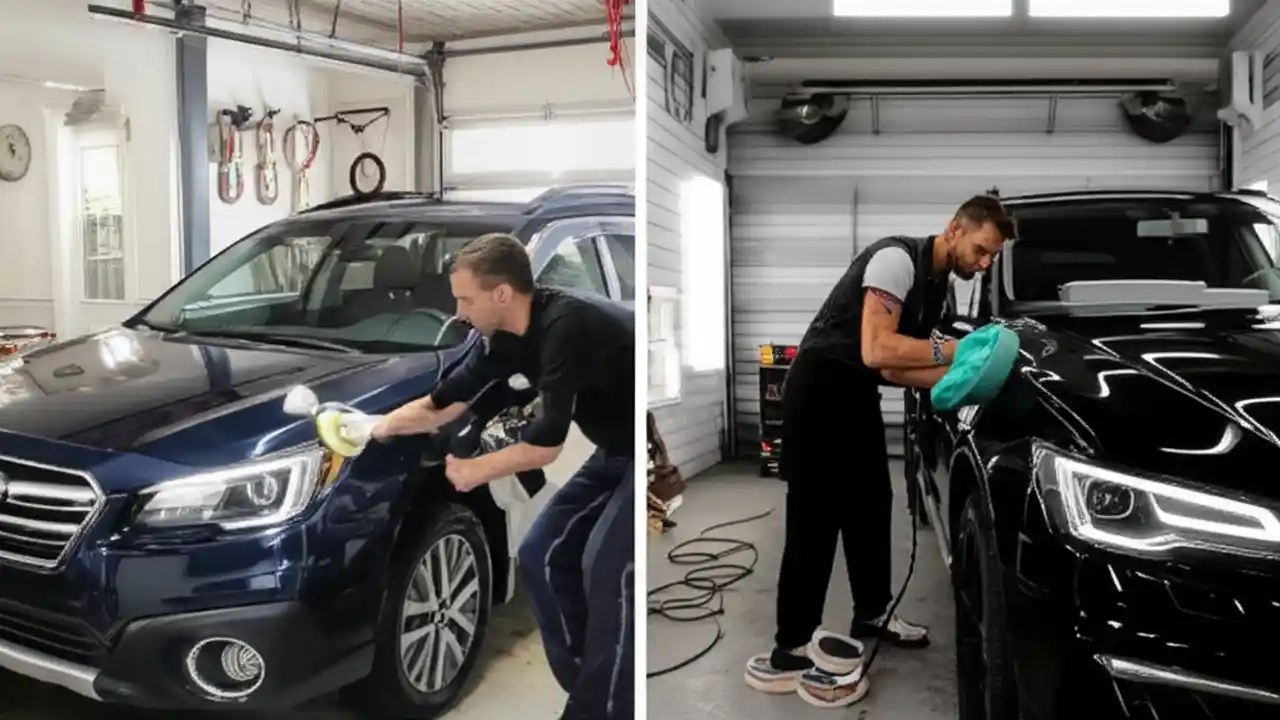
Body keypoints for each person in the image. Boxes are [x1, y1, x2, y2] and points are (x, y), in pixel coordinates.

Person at [744, 195, 1015, 696]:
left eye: (992, 256)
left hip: (856, 392)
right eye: (980, 249)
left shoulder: (940, 290)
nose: (984, 263)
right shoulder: (896, 261)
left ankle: (871, 615)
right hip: (820, 390)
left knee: (871, 505)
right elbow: (876, 347)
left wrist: (972, 375)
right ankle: (789, 648)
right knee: (815, 521)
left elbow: (893, 369)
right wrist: (959, 351)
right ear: (954, 228)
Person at [369, 233, 634, 720]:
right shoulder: (503, 339)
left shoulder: (564, 328)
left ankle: (604, 707)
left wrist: (475, 470)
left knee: (611, 570)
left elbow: (546, 445)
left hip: (638, 451)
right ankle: (595, 693)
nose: (459, 311)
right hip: (615, 450)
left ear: (502, 295)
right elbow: (442, 404)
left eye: (466, 299)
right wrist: (369, 428)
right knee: (540, 556)